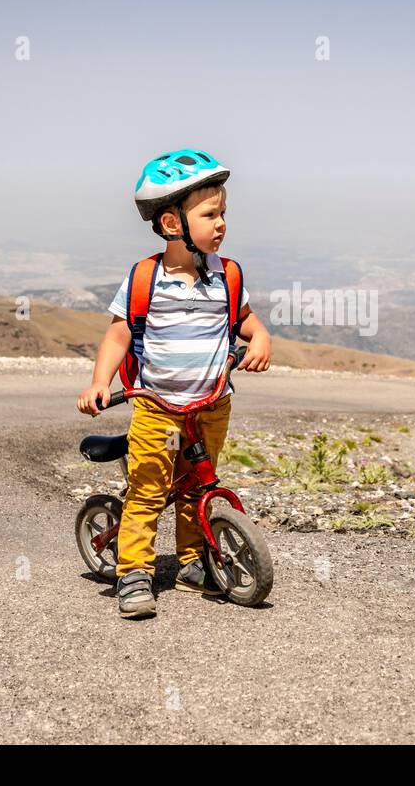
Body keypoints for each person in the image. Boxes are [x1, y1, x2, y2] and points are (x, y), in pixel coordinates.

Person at [76, 149, 272, 619]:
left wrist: (261, 338)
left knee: (194, 486)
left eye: (223, 212)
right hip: (157, 407)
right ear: (171, 223)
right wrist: (99, 382)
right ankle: (134, 573)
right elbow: (119, 332)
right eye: (210, 214)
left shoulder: (227, 274)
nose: (221, 223)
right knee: (148, 490)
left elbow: (245, 322)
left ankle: (191, 564)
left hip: (211, 404)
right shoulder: (146, 278)